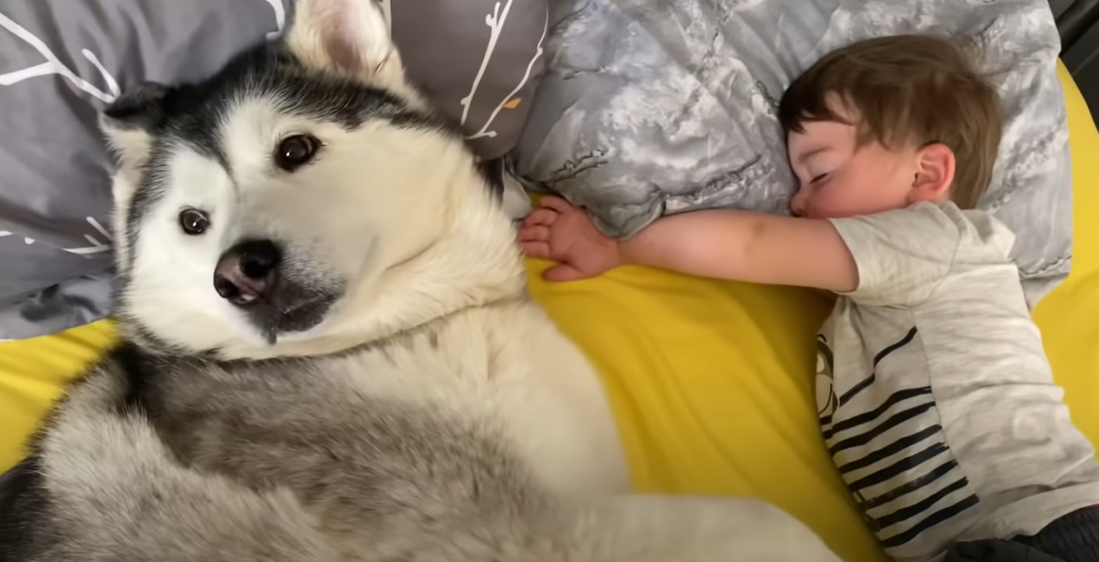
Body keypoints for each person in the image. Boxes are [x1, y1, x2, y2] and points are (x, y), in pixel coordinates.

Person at [517, 34, 1099, 562]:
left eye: (819, 175)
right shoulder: (883, 298)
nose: (797, 204)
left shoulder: (938, 241)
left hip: (1047, 528)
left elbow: (751, 244)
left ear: (925, 174)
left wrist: (617, 247)